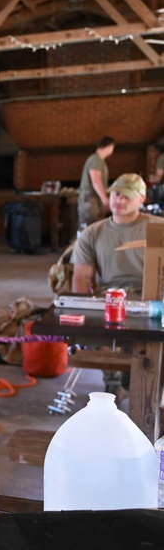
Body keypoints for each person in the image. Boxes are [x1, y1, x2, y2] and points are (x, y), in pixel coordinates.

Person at [72, 173, 164, 400]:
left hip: (151, 297)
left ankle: (148, 389)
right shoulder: (93, 233)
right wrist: (80, 314)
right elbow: (82, 278)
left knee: (152, 351)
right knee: (102, 335)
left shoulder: (158, 228)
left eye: (126, 196)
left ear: (141, 199)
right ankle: (113, 383)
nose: (118, 201)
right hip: (112, 299)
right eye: (115, 194)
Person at [78, 136, 115, 229]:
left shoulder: (99, 161)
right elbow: (96, 180)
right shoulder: (95, 160)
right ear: (109, 146)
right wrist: (104, 199)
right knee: (90, 229)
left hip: (94, 201)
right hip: (90, 201)